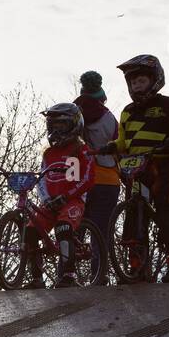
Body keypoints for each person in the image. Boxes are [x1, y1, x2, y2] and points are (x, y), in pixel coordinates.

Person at [98, 54, 169, 282]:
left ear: (155, 79)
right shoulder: (128, 111)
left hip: (161, 166)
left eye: (141, 81)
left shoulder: (168, 104)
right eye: (133, 82)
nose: (136, 86)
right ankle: (137, 265)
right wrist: (110, 147)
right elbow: (123, 142)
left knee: (166, 213)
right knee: (132, 211)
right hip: (136, 168)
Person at [33, 103, 96, 288]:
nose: (57, 130)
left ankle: (69, 274)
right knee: (30, 231)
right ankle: (36, 278)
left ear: (74, 125)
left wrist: (67, 196)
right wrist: (46, 199)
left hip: (72, 202)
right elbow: (42, 178)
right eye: (53, 126)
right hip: (51, 203)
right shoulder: (49, 153)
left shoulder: (81, 150)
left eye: (62, 126)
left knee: (63, 229)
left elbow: (88, 178)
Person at [74, 71, 120, 265]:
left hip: (76, 179)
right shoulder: (110, 119)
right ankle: (99, 275)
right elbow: (121, 149)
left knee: (73, 228)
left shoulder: (72, 115)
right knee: (101, 229)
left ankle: (67, 274)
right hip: (107, 180)